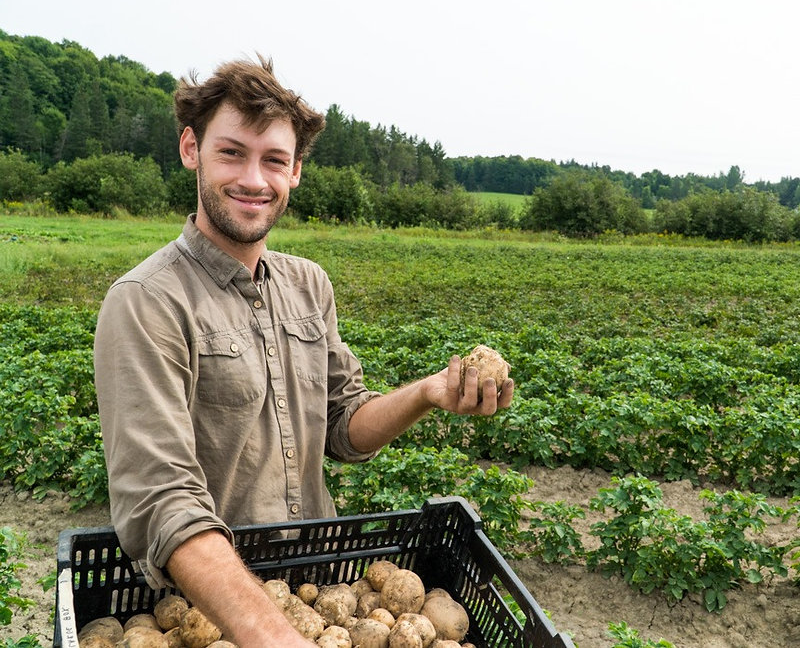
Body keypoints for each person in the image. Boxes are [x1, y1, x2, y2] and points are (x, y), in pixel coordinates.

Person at [93, 57, 514, 647]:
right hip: (204, 613)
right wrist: (271, 636)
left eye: (273, 160)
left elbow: (344, 427)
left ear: (295, 172)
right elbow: (161, 499)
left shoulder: (308, 285)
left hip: (318, 591)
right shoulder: (146, 302)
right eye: (231, 153)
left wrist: (426, 393)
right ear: (191, 149)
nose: (254, 180)